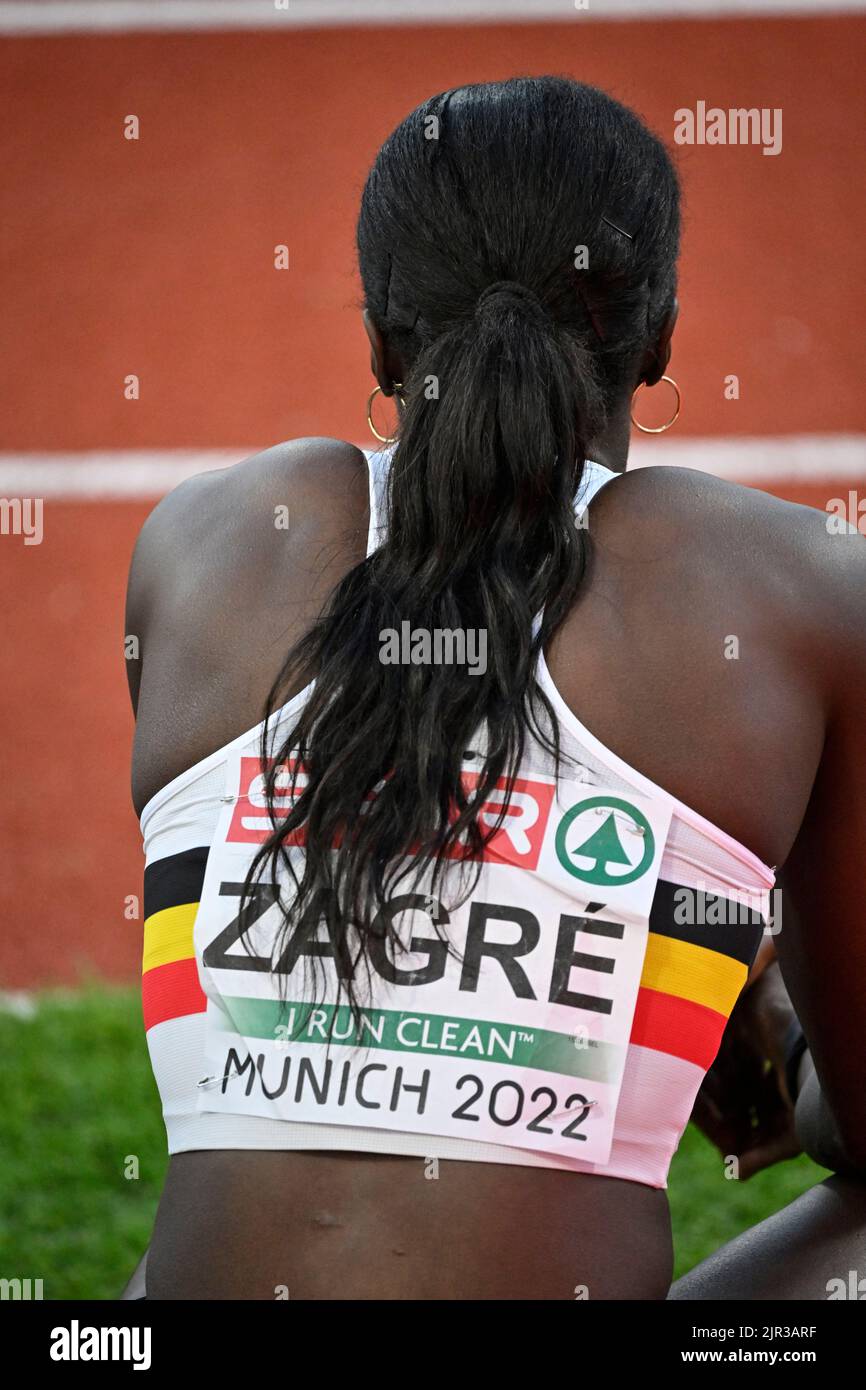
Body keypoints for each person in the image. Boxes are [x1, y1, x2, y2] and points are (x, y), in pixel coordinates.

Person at [124, 78, 866, 1300]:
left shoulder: (203, 545)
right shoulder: (794, 585)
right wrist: (736, 1003)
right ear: (661, 332)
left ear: (378, 338)